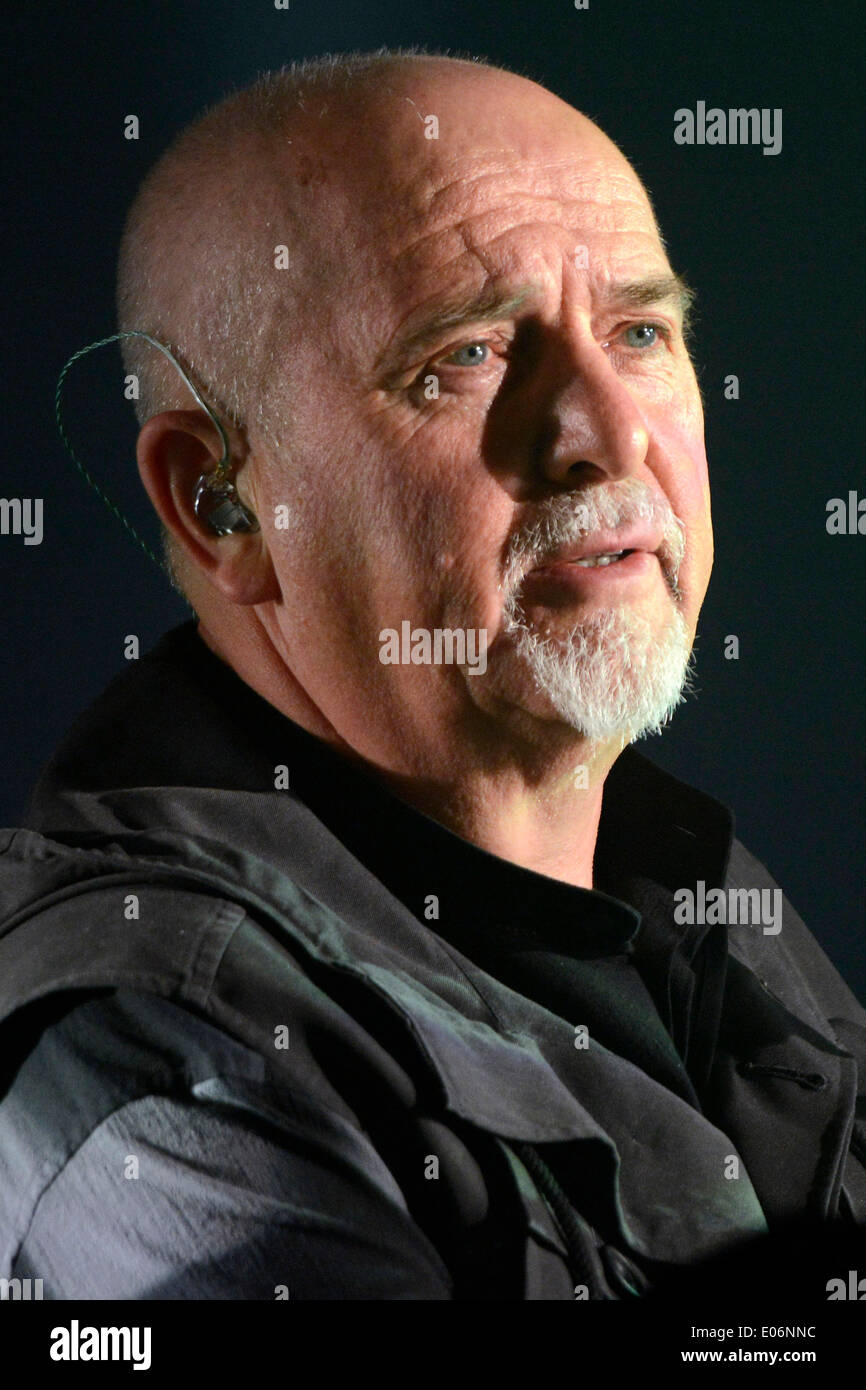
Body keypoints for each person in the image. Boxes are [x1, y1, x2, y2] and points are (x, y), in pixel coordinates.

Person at [1, 49, 864, 1302]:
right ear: (221, 503)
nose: (608, 434)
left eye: (636, 332)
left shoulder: (696, 901)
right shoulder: (152, 1042)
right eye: (462, 356)